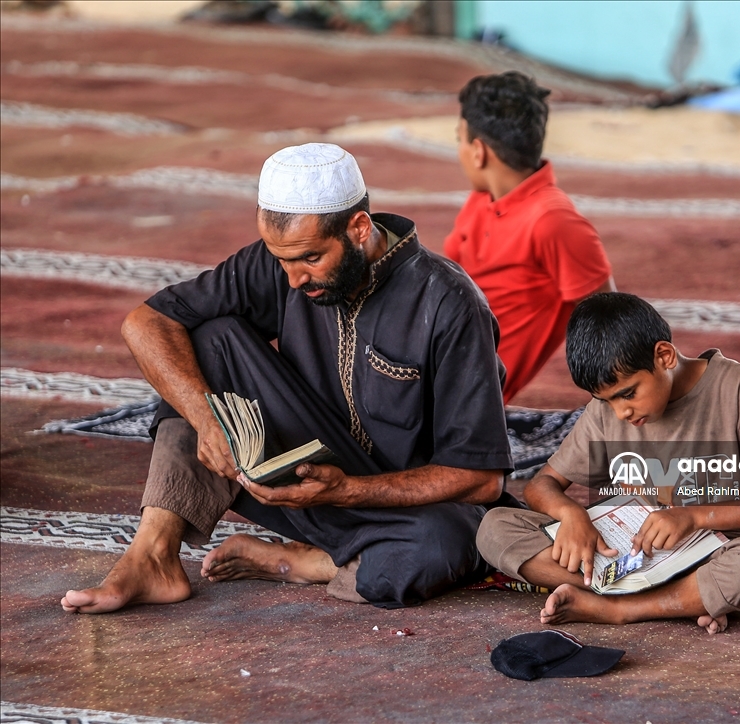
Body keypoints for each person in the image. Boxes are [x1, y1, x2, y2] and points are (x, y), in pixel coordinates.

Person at [61, 143, 514, 614]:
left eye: (311, 258)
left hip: (400, 507)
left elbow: (480, 479)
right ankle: (153, 555)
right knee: (205, 340)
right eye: (282, 261)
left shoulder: (449, 303)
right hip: (300, 485)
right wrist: (207, 418)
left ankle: (310, 562)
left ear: (359, 228)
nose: (294, 279)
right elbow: (146, 322)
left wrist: (345, 490)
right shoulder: (283, 261)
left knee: (441, 546)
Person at [476, 293, 740, 633]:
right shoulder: (608, 411)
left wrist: (694, 516)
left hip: (719, 551)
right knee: (494, 528)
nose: (621, 412)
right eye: (605, 400)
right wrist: (571, 515)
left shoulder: (734, 387)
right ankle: (686, 600)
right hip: (632, 557)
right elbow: (542, 484)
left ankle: (618, 609)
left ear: (664, 356)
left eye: (628, 393)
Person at [444, 71, 614, 403]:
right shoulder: (480, 201)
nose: (459, 151)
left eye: (459, 139)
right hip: (433, 354)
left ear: (479, 152)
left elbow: (608, 321)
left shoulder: (552, 220)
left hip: (462, 393)